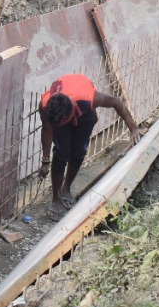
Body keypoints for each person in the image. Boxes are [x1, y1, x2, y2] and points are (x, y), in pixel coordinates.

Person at [37, 74, 139, 216]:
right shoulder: (46, 105)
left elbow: (117, 102)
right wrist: (45, 161)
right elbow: (47, 129)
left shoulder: (88, 99)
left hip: (83, 113)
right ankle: (56, 199)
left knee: (79, 151)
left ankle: (66, 189)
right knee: (61, 153)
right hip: (63, 114)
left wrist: (133, 128)